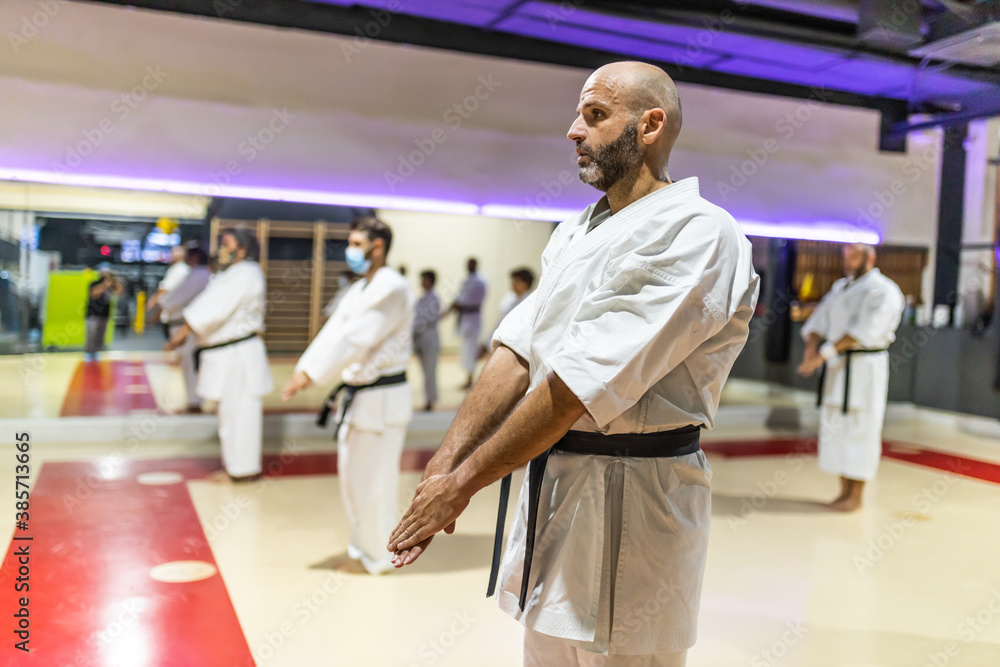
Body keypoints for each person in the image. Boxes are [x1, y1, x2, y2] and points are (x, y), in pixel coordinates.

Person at [388, 61, 759, 666]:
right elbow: (517, 351)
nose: (572, 132)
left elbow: (575, 388)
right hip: (556, 494)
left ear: (650, 125)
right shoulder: (573, 233)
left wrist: (462, 488)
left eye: (594, 115)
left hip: (636, 505)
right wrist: (443, 466)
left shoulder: (698, 232)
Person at [281, 217, 414, 575]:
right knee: (354, 480)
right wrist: (305, 370)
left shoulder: (393, 287)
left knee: (375, 483)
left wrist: (311, 373)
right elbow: (333, 332)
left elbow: (355, 338)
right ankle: (362, 546)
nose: (350, 251)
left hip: (381, 400)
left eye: (357, 243)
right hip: (360, 399)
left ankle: (380, 556)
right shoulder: (360, 288)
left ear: (378, 246)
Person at [796, 243, 904, 512]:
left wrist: (824, 354)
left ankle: (856, 495)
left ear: (870, 258)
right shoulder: (839, 288)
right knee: (836, 430)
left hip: (865, 368)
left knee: (861, 429)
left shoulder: (884, 291)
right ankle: (843, 491)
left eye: (853, 257)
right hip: (837, 369)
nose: (847, 262)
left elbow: (864, 330)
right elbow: (817, 322)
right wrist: (812, 350)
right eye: (845, 257)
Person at [164, 229, 273, 481]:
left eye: (227, 243)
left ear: (242, 250)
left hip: (239, 356)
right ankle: (235, 468)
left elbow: (212, 309)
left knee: (240, 416)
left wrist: (182, 333)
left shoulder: (245, 272)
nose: (221, 248)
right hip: (229, 355)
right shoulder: (233, 273)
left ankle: (243, 471)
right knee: (230, 415)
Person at [158, 247, 212, 413]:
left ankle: (194, 402)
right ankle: (194, 401)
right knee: (189, 363)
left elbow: (173, 298)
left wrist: (161, 303)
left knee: (191, 363)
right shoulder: (197, 273)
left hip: (188, 326)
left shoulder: (200, 274)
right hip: (186, 324)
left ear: (195, 257)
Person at [448, 258, 486, 390]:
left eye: (471, 264)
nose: (469, 267)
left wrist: (458, 304)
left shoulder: (480, 281)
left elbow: (469, 300)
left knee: (471, 349)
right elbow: (459, 298)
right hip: (465, 317)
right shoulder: (468, 280)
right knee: (465, 349)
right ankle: (468, 377)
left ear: (476, 265)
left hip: (473, 317)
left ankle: (471, 378)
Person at [480, 268, 535, 359]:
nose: (513, 284)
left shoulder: (530, 304)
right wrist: (487, 342)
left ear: (526, 284)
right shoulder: (511, 300)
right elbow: (499, 323)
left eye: (517, 281)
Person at [413, 269, 441, 412]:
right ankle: (427, 399)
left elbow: (422, 321)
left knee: (430, 372)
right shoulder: (421, 300)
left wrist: (412, 331)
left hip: (429, 337)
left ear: (431, 282)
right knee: (424, 372)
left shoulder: (434, 300)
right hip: (420, 338)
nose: (423, 282)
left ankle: (431, 401)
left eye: (425, 279)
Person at [84, 263, 123, 362]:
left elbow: (120, 292)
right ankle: (88, 353)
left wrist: (116, 282)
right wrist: (104, 285)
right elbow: (93, 293)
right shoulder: (94, 283)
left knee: (100, 336)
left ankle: (97, 352)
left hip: (104, 315)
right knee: (91, 335)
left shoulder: (111, 286)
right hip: (93, 314)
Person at [147, 245, 191, 333]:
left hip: (173, 314)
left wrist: (152, 302)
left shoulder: (178, 269)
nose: (171, 255)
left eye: (173, 252)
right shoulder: (186, 269)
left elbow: (164, 289)